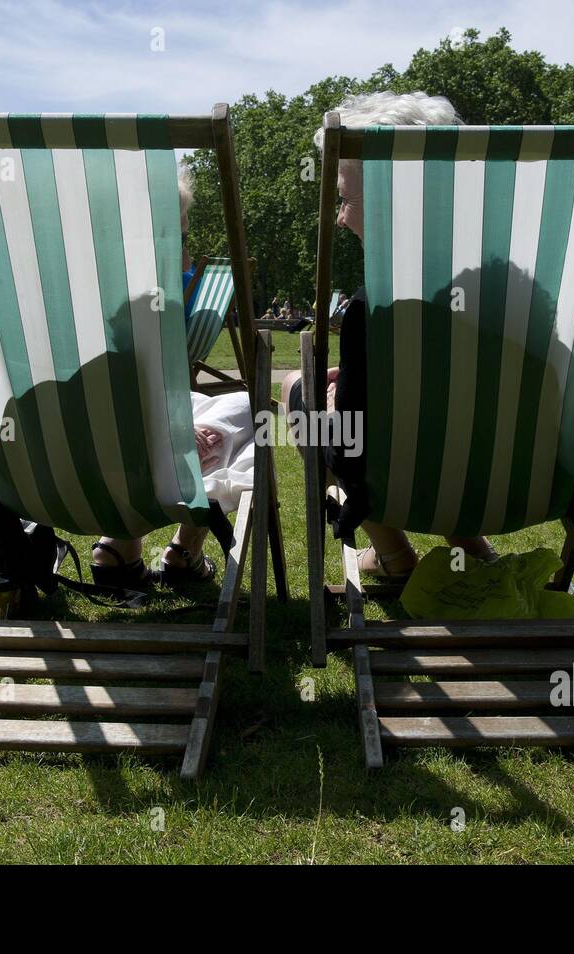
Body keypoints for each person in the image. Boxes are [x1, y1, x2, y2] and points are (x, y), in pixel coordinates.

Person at [279, 90, 496, 581]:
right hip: (517, 479)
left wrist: (334, 403)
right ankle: (472, 549)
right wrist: (357, 377)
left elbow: (354, 441)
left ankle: (395, 558)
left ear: (390, 201)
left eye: (344, 200)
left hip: (404, 479)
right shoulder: (512, 285)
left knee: (299, 388)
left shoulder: (378, 305)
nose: (339, 216)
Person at [91, 164, 257, 588]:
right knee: (251, 414)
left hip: (49, 474)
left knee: (230, 408)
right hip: (142, 458)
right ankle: (184, 551)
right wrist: (180, 436)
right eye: (178, 240)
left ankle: (120, 547)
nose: (186, 259)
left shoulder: (62, 308)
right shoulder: (138, 310)